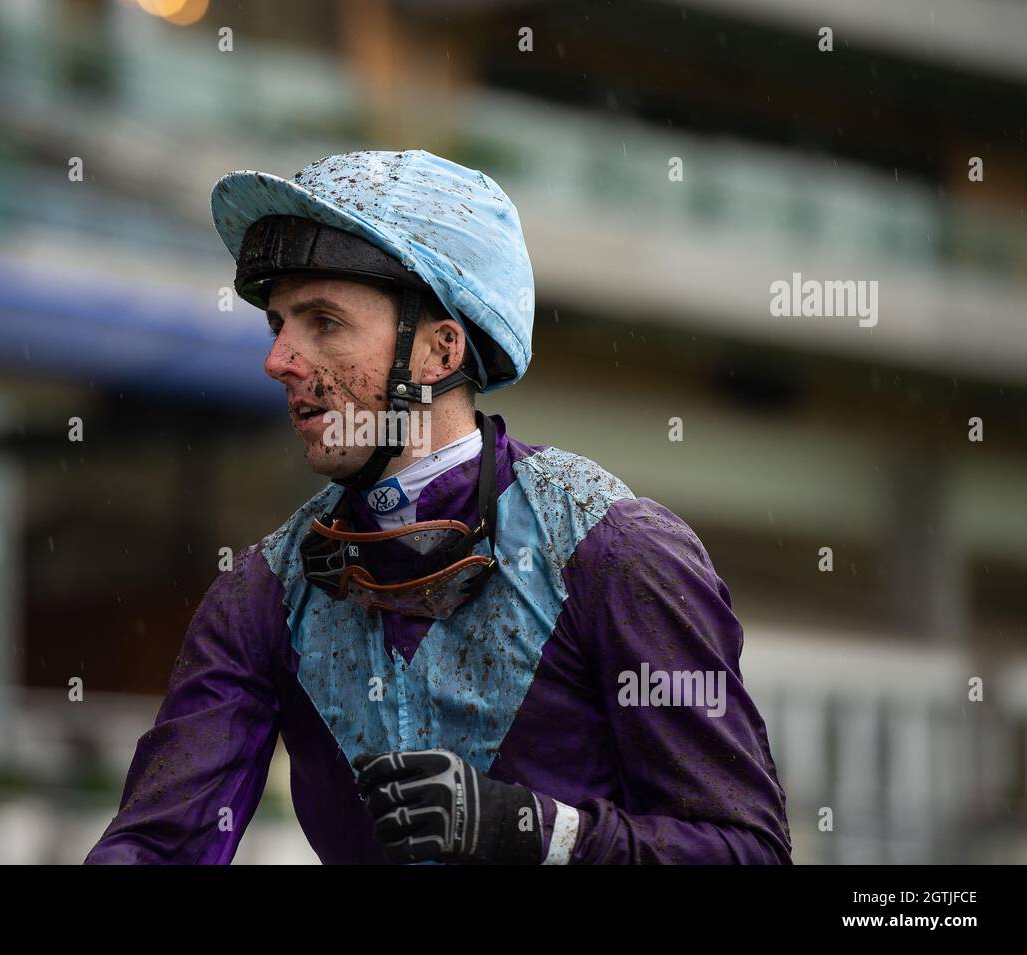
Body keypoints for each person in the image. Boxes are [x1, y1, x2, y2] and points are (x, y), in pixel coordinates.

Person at [85, 149, 792, 864]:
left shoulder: (617, 551)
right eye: (278, 325)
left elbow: (749, 851)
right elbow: (155, 847)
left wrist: (538, 831)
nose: (280, 360)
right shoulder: (261, 594)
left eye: (323, 322)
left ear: (440, 350)